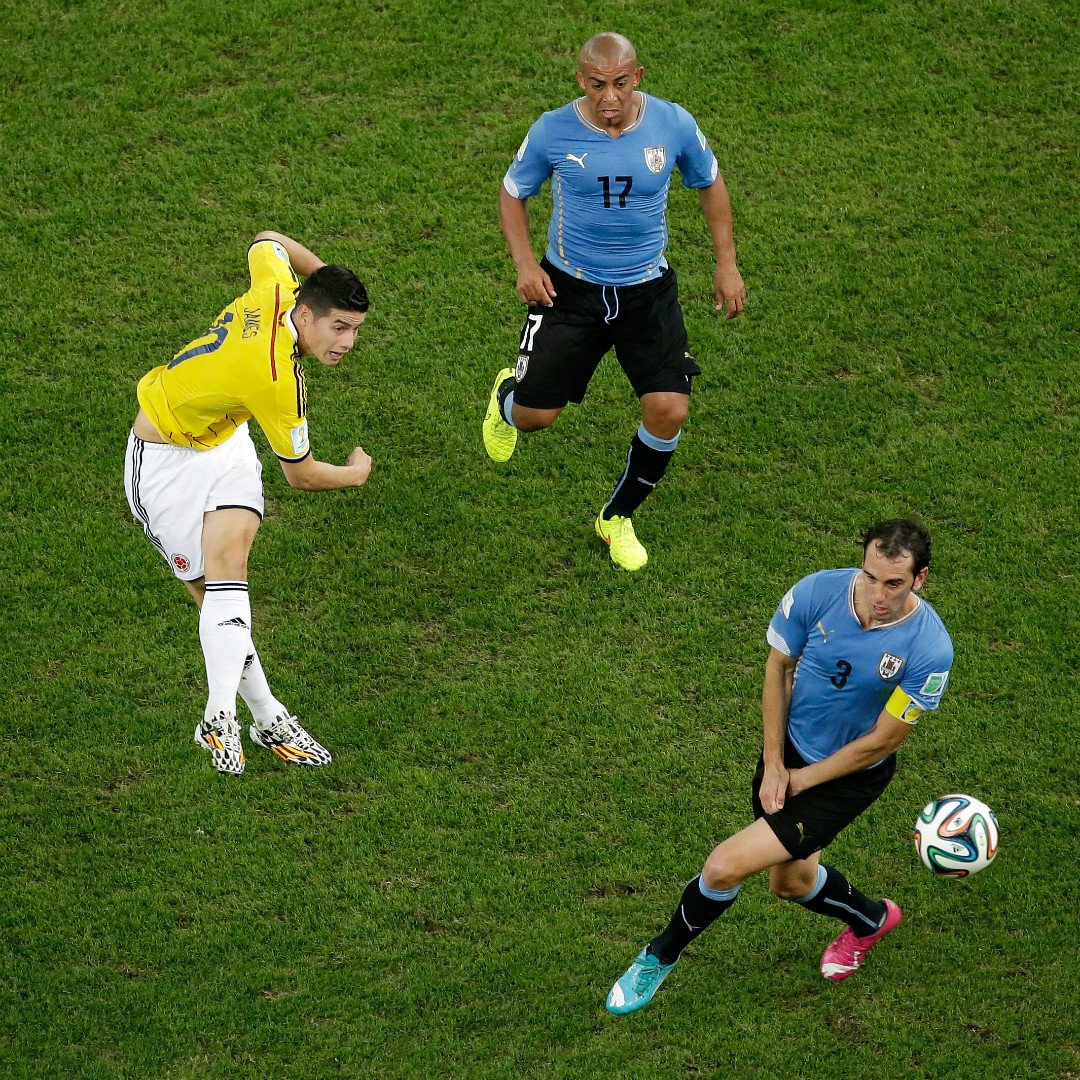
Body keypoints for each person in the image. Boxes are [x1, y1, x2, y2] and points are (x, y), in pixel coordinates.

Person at [607, 519, 954, 1013]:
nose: (878, 594)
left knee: (723, 867)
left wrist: (801, 780)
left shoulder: (930, 649)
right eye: (870, 576)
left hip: (848, 778)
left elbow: (883, 740)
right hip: (788, 753)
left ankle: (659, 955)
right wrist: (775, 763)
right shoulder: (815, 593)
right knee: (789, 884)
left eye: (894, 583)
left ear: (920, 578)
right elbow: (779, 668)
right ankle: (872, 920)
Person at [481, 32, 745, 571]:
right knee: (534, 417)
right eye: (597, 84)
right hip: (569, 290)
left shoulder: (672, 124)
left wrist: (726, 263)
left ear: (637, 78)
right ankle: (507, 395)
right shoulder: (552, 130)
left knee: (670, 408)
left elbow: (710, 182)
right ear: (581, 80)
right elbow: (513, 192)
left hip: (647, 291)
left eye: (620, 83)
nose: (609, 97)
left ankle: (617, 516)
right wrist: (526, 265)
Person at [124, 232, 372, 775]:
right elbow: (302, 475)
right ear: (305, 315)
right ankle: (266, 715)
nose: (348, 342)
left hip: (225, 439)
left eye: (354, 328)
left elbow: (267, 240)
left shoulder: (277, 288)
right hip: (164, 464)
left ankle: (220, 718)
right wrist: (356, 475)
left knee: (229, 576)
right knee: (211, 596)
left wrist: (327, 281)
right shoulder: (276, 378)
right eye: (339, 326)